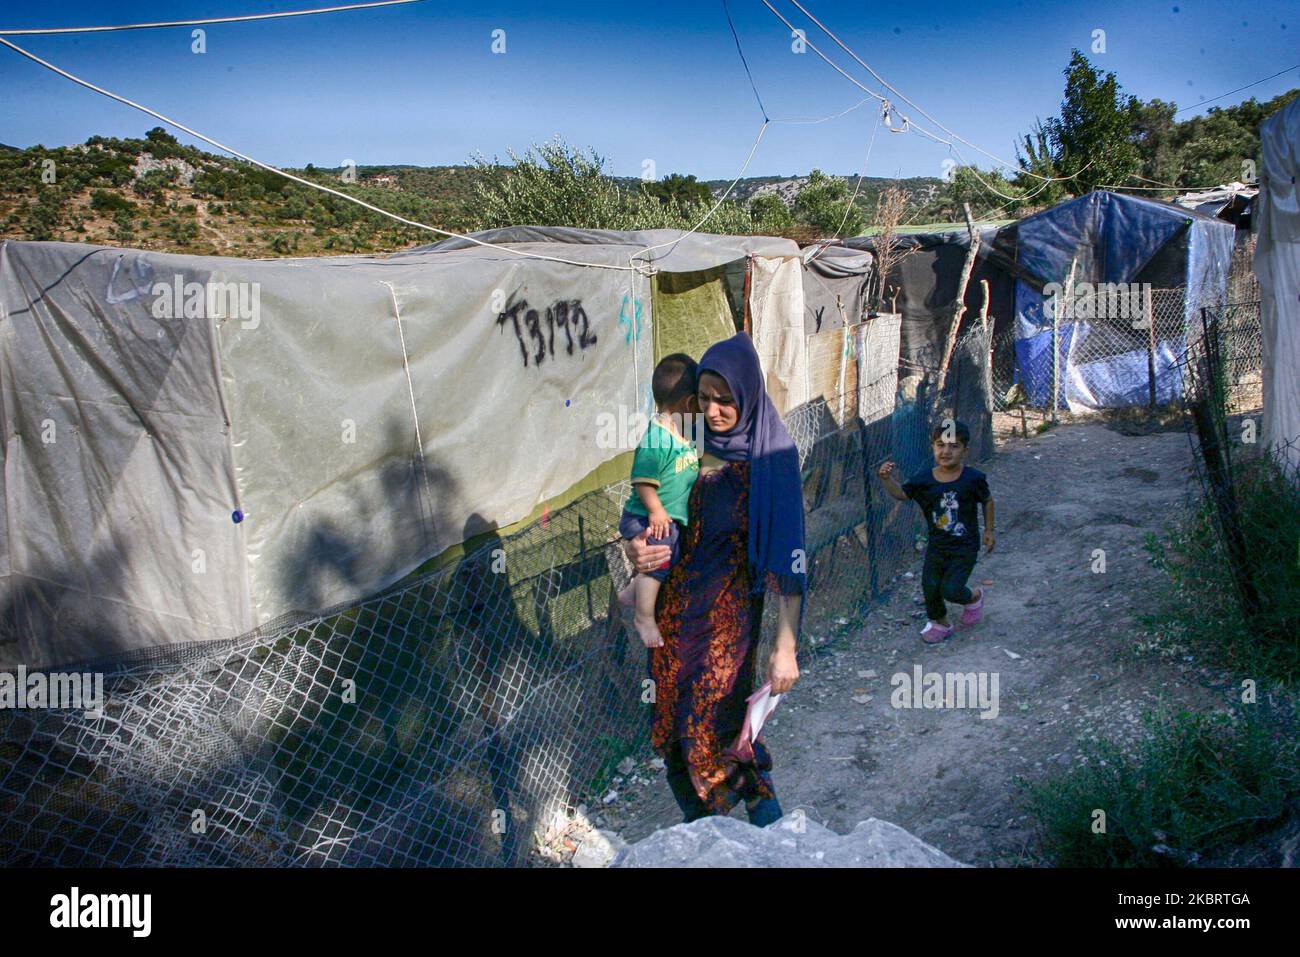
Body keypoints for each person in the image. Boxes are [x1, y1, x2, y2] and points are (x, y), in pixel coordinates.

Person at [624, 332, 804, 828]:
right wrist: (635, 550)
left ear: (747, 393)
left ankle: (769, 838)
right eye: (704, 399)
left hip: (726, 628)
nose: (715, 410)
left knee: (713, 732)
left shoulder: (772, 459)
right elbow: (646, 514)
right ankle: (709, 840)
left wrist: (786, 647)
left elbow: (791, 563)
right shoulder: (684, 443)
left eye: (726, 399)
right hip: (670, 624)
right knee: (672, 739)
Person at [877, 419, 996, 643]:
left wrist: (989, 530)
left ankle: (974, 597)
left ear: (965, 450)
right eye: (940, 445)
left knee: (951, 588)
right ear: (932, 447)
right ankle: (940, 622)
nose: (946, 451)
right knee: (930, 585)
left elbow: (988, 501)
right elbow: (902, 494)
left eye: (954, 446)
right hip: (937, 545)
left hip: (965, 546)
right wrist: (886, 479)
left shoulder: (973, 479)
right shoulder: (924, 480)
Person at [617, 353, 701, 649]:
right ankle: (644, 617)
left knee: (668, 555)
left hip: (665, 518)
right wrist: (655, 511)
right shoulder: (657, 439)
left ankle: (633, 591)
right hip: (644, 516)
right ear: (689, 404)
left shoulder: (685, 436)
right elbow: (642, 479)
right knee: (661, 558)